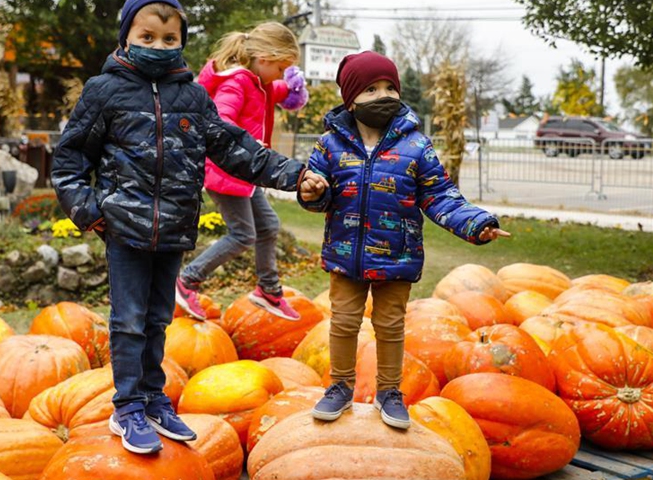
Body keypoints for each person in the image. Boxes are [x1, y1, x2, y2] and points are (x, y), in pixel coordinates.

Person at [50, 0, 327, 455]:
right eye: (147, 37)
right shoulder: (104, 90)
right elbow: (69, 159)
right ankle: (128, 407)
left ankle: (155, 398)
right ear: (127, 37)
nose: (159, 46)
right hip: (124, 229)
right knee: (129, 320)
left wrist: (295, 176)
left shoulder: (193, 98)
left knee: (159, 319)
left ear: (181, 41)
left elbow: (239, 150)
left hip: (174, 227)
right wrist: (90, 210)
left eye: (169, 39)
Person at [298, 51, 509, 429]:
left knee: (391, 324)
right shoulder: (329, 144)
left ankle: (389, 392)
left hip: (397, 255)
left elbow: (441, 195)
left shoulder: (416, 146)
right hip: (345, 254)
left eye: (390, 87)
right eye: (371, 89)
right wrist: (312, 193)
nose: (384, 95)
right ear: (351, 99)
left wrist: (476, 223)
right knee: (343, 322)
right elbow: (317, 190)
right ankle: (340, 387)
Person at [174, 22, 309, 322]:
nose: (281, 76)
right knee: (243, 234)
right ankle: (186, 281)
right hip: (225, 173)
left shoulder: (260, 83)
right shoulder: (237, 82)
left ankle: (268, 290)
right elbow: (220, 121)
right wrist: (249, 142)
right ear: (264, 59)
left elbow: (279, 90)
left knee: (268, 226)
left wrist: (294, 87)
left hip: (244, 174)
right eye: (282, 68)